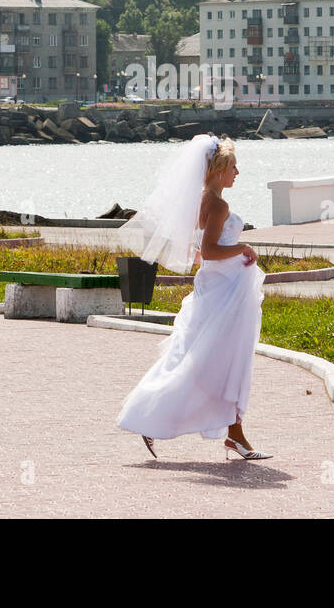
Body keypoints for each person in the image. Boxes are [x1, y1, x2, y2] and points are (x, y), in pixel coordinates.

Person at [116, 134, 271, 461]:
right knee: (218, 361)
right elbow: (212, 251)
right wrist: (243, 248)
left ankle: (234, 433)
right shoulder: (217, 203)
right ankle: (157, 415)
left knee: (207, 360)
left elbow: (198, 253)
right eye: (233, 166)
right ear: (218, 170)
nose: (237, 173)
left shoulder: (200, 200)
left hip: (216, 287)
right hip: (224, 293)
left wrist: (227, 255)